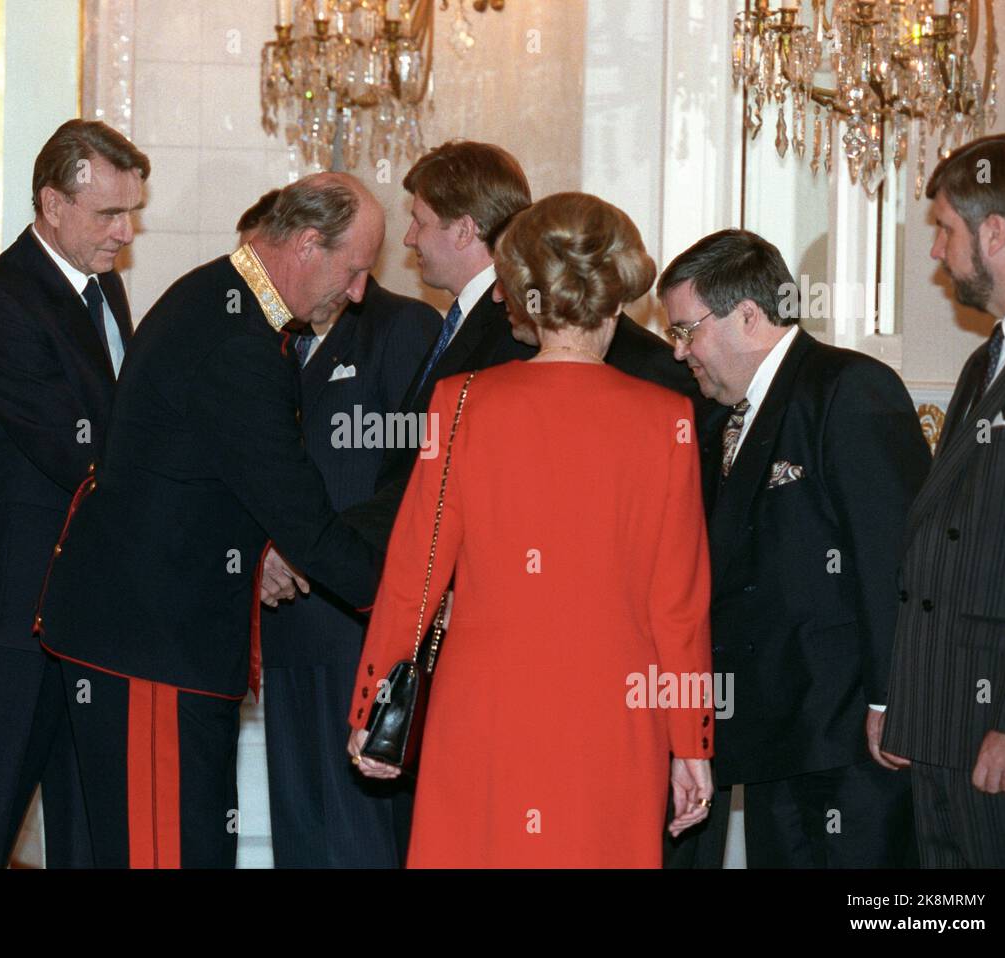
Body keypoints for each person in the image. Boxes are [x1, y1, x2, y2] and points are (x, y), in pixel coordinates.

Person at [348, 192, 716, 867]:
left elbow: (415, 577)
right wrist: (690, 742)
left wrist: (373, 704)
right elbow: (679, 611)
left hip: (483, 710)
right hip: (613, 717)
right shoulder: (669, 419)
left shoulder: (459, 404)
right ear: (617, 293)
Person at [35, 173, 386, 868]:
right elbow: (306, 522)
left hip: (148, 645)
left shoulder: (221, 302)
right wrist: (414, 598)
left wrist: (258, 551)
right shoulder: (238, 339)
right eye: (354, 271)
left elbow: (193, 476)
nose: (357, 294)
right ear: (309, 244)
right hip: (153, 652)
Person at [657, 229, 930, 868]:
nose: (678, 353)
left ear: (748, 315)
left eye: (685, 330)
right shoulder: (722, 419)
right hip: (774, 734)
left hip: (850, 734)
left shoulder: (850, 387)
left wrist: (895, 700)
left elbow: (895, 557)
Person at [0, 119, 147, 868]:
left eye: (131, 212)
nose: (125, 231)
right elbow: (75, 447)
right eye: (109, 214)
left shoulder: (104, 289)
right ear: (53, 203)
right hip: (15, 614)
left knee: (88, 835)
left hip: (91, 613)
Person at [347, 139, 706, 552]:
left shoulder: (519, 328)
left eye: (420, 222)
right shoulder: (475, 321)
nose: (409, 239)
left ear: (464, 229)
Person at [244, 194, 439, 867]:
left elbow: (413, 485)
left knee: (362, 831)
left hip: (363, 621)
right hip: (283, 619)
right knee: (300, 821)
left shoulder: (404, 328)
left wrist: (312, 550)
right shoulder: (272, 338)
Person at [879, 132, 1005, 867]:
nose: (937, 251)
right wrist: (906, 704)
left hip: (1004, 724)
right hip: (947, 718)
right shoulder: (987, 360)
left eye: (945, 228)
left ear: (995, 232)